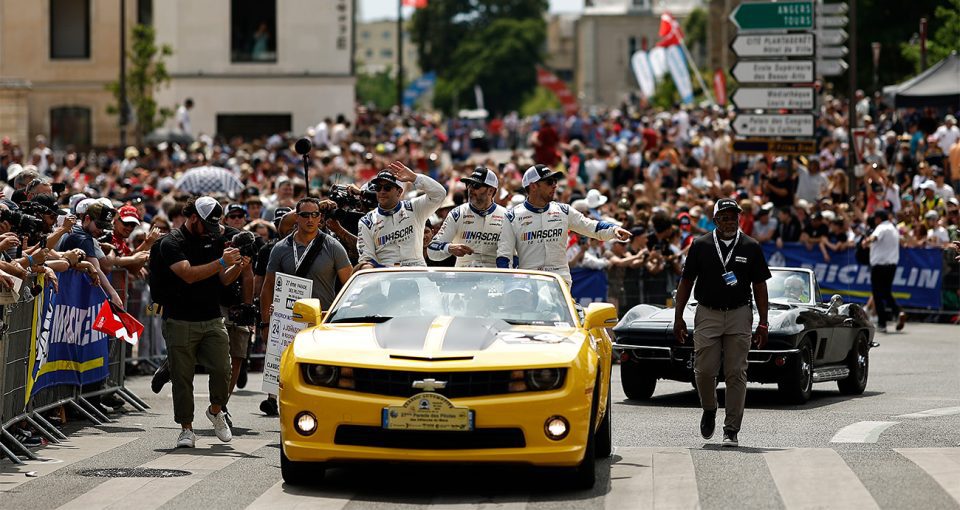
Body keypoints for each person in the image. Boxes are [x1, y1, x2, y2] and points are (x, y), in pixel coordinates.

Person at [673, 198, 771, 448]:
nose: (730, 221)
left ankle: (731, 429)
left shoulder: (751, 246)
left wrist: (763, 322)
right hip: (707, 312)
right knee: (704, 370)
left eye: (734, 216)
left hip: (739, 313)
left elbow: (760, 286)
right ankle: (709, 407)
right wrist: (678, 318)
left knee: (736, 372)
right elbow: (686, 282)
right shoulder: (701, 245)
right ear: (715, 220)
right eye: (725, 217)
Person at [154, 197, 248, 448]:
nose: (210, 230)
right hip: (179, 319)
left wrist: (238, 266)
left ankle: (216, 410)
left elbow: (224, 280)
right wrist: (221, 262)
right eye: (206, 224)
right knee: (183, 378)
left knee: (222, 368)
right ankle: (186, 429)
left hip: (211, 316)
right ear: (193, 217)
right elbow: (188, 274)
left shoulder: (214, 238)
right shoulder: (171, 242)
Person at [257, 197, 353, 416]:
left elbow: (349, 286)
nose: (310, 219)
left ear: (320, 218)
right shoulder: (280, 248)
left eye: (315, 215)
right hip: (288, 320)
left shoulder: (333, 246)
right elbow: (267, 287)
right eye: (305, 215)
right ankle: (287, 410)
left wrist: (339, 317)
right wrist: (265, 323)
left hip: (321, 320)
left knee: (319, 371)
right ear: (296, 218)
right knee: (288, 371)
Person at [497, 164, 630, 288]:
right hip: (530, 283)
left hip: (559, 283)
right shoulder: (512, 217)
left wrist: (614, 230)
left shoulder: (564, 211)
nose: (555, 185)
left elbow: (591, 226)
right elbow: (504, 256)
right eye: (549, 182)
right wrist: (509, 285)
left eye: (555, 181)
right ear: (533, 186)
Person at [356, 161, 446, 268]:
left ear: (399, 192)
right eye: (378, 188)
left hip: (417, 273)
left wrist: (415, 178)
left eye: (387, 188)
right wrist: (389, 271)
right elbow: (366, 258)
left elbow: (440, 194)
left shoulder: (414, 208)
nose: (382, 192)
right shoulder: (366, 221)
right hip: (387, 276)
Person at [427, 166, 506, 267]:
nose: (470, 189)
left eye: (476, 185)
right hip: (464, 276)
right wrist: (449, 248)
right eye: (468, 184)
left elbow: (515, 254)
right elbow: (431, 250)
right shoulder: (457, 214)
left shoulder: (506, 216)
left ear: (491, 191)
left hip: (494, 277)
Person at [863, 209, 906, 333]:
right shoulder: (893, 229)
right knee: (886, 292)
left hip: (879, 266)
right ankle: (898, 312)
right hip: (891, 265)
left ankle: (882, 323)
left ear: (878, 219)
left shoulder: (881, 227)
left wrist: (866, 242)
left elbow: (874, 237)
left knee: (877, 294)